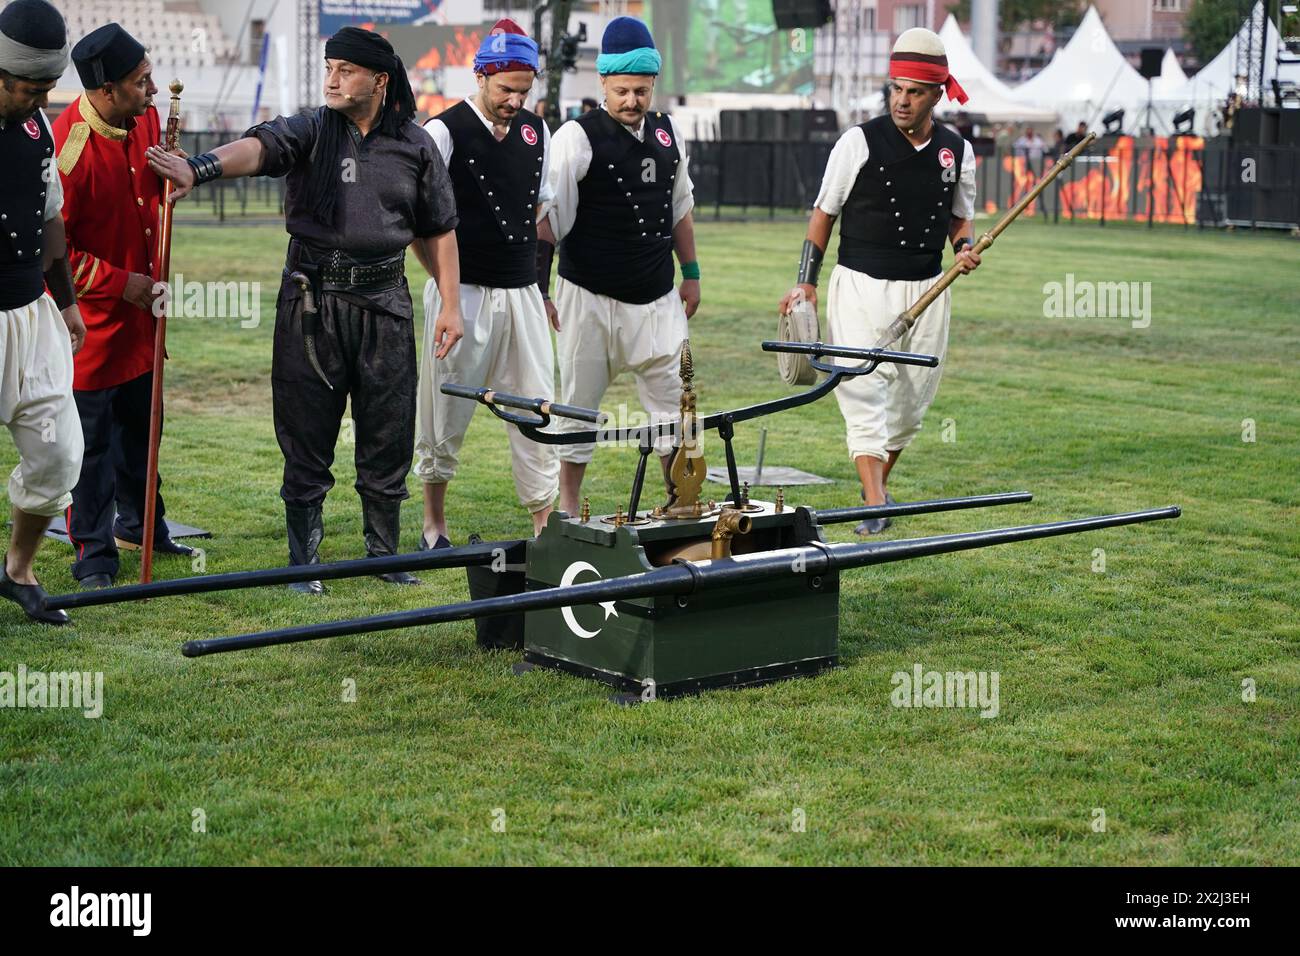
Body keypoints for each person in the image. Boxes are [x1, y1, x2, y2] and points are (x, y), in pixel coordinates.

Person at [146, 26, 462, 593]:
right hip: (312, 300)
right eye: (328, 67)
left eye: (345, 69)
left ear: (379, 81)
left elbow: (438, 229)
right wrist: (200, 167)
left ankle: (384, 556)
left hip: (386, 302)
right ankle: (303, 563)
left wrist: (452, 305)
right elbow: (261, 147)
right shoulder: (312, 129)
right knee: (306, 428)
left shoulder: (416, 145)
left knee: (388, 432)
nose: (332, 79)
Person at [777, 27, 980, 536]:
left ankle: (877, 491)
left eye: (914, 91)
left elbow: (960, 217)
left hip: (929, 289)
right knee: (864, 388)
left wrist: (964, 248)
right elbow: (824, 212)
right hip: (861, 283)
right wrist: (807, 282)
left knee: (912, 403)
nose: (902, 100)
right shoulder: (857, 143)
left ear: (937, 94)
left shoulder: (957, 151)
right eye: (896, 89)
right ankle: (874, 503)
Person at [541, 16, 700, 515]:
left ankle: (682, 502)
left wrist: (691, 274)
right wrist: (540, 289)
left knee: (677, 407)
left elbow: (680, 207)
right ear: (603, 85)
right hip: (587, 297)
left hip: (656, 299)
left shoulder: (670, 134)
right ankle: (567, 509)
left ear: (653, 85)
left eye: (641, 90)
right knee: (577, 409)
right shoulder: (575, 138)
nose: (632, 101)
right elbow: (549, 221)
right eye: (622, 90)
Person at [53, 23, 193, 591]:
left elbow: (154, 184)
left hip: (142, 320)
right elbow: (54, 253)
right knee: (89, 448)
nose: (154, 90)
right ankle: (93, 554)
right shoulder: (68, 150)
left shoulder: (147, 119)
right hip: (91, 326)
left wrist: (176, 177)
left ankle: (144, 526)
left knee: (144, 430)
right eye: (141, 82)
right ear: (107, 90)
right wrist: (121, 284)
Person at [414, 19, 557, 544]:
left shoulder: (537, 131)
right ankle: (433, 522)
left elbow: (541, 219)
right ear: (480, 76)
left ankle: (543, 521)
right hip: (462, 295)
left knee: (537, 404)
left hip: (521, 292)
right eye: (505, 90)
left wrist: (541, 291)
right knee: (444, 404)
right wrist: (448, 293)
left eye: (523, 91)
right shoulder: (442, 131)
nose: (515, 100)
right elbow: (418, 224)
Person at [0, 0, 87, 624]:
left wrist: (70, 300)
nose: (41, 101)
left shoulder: (39, 128)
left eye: (48, 90)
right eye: (32, 90)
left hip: (32, 313)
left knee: (58, 455)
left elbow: (49, 214)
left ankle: (17, 570)